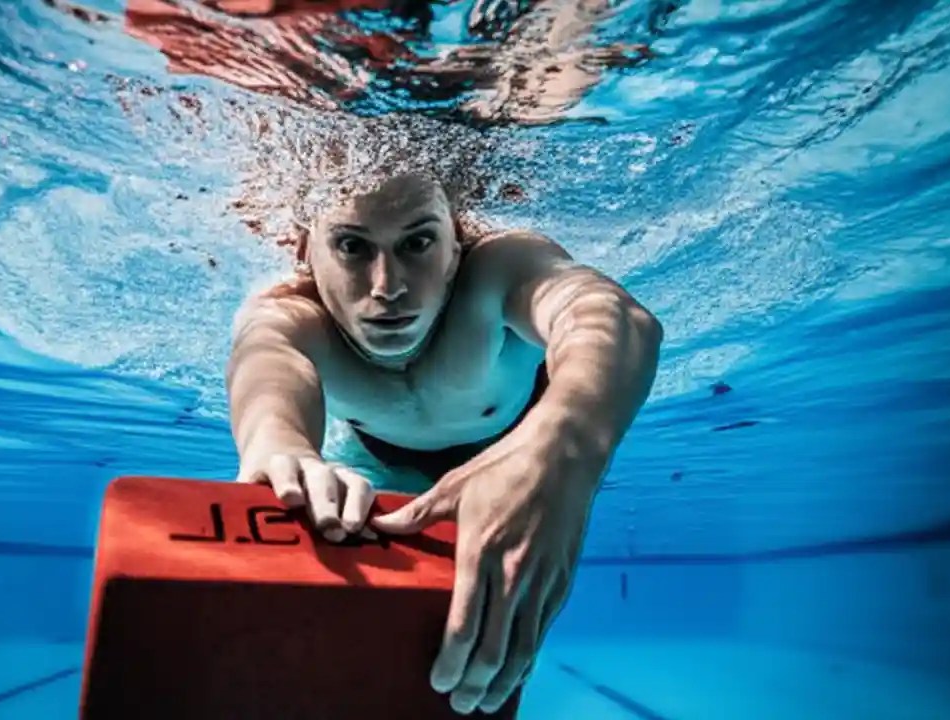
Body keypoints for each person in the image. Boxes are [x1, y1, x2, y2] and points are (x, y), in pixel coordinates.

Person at [224, 170, 662, 715]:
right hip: (369, 463)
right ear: (306, 249)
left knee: (490, 650)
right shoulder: (290, 312)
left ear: (455, 244)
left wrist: (561, 449)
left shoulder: (500, 270)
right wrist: (278, 444)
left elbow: (609, 316)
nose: (387, 286)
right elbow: (265, 360)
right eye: (353, 247)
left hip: (524, 455)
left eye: (418, 242)